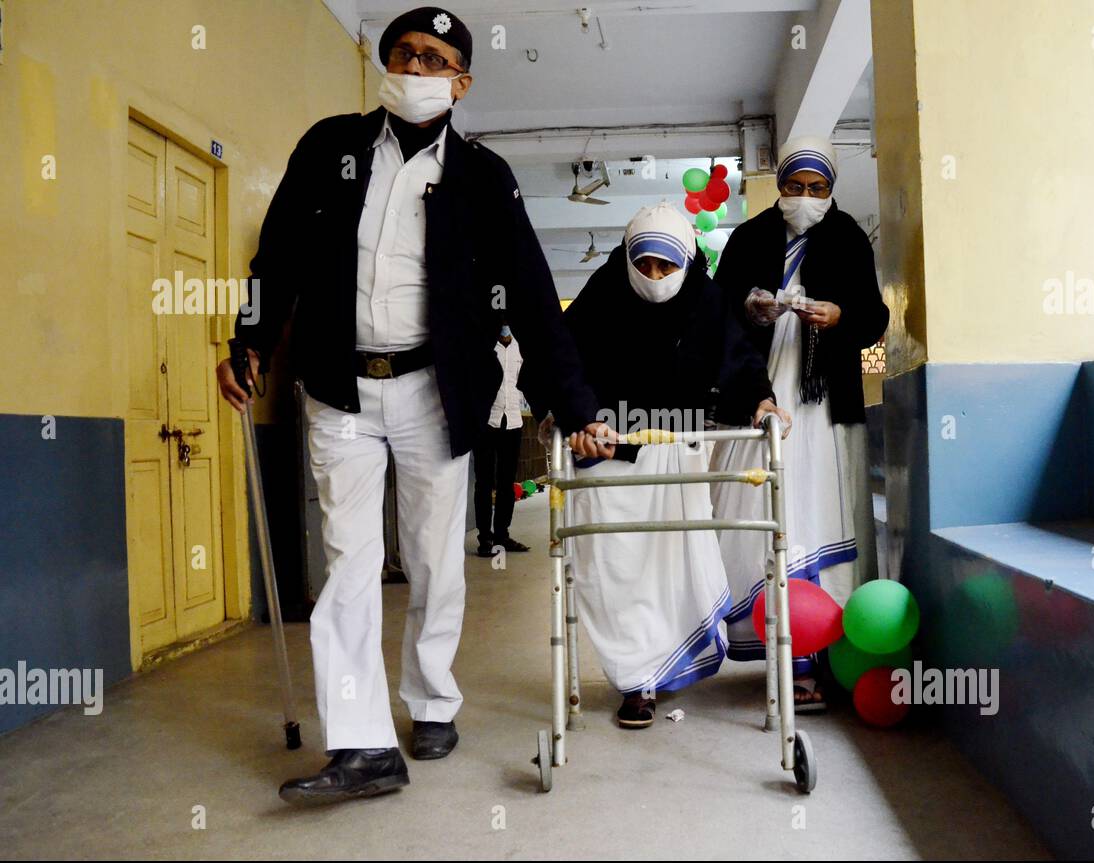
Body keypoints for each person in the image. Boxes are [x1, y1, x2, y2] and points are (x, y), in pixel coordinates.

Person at [216, 6, 610, 803]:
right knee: (350, 566)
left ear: (461, 82)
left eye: (434, 60)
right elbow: (280, 251)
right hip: (340, 389)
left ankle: (431, 699)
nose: (415, 68)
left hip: (438, 391)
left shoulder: (482, 177)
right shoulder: (330, 148)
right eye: (404, 53)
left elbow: (534, 298)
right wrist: (247, 340)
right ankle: (362, 745)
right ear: (383, 64)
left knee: (433, 559)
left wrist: (577, 407)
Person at [556, 202, 785, 728]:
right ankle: (633, 678)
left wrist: (762, 401)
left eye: (667, 267)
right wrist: (580, 419)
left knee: (666, 564)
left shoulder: (707, 300)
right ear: (627, 259)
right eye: (644, 265)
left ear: (686, 261)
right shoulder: (602, 294)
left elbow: (740, 359)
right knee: (613, 569)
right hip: (606, 447)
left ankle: (648, 682)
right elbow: (561, 360)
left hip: (673, 445)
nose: (655, 278)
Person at [710, 135, 889, 710]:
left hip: (825, 405)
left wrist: (840, 315)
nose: (805, 197)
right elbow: (716, 315)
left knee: (819, 511)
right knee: (758, 511)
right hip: (760, 400)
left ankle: (820, 654)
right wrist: (750, 310)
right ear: (780, 186)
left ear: (831, 190)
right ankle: (770, 646)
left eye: (817, 189)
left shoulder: (848, 237)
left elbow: (874, 318)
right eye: (795, 187)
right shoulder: (750, 236)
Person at [473, 324, 529, 557]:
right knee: (484, 482)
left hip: (513, 421)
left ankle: (502, 535)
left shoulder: (520, 347)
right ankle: (485, 539)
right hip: (487, 421)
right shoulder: (485, 346)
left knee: (507, 482)